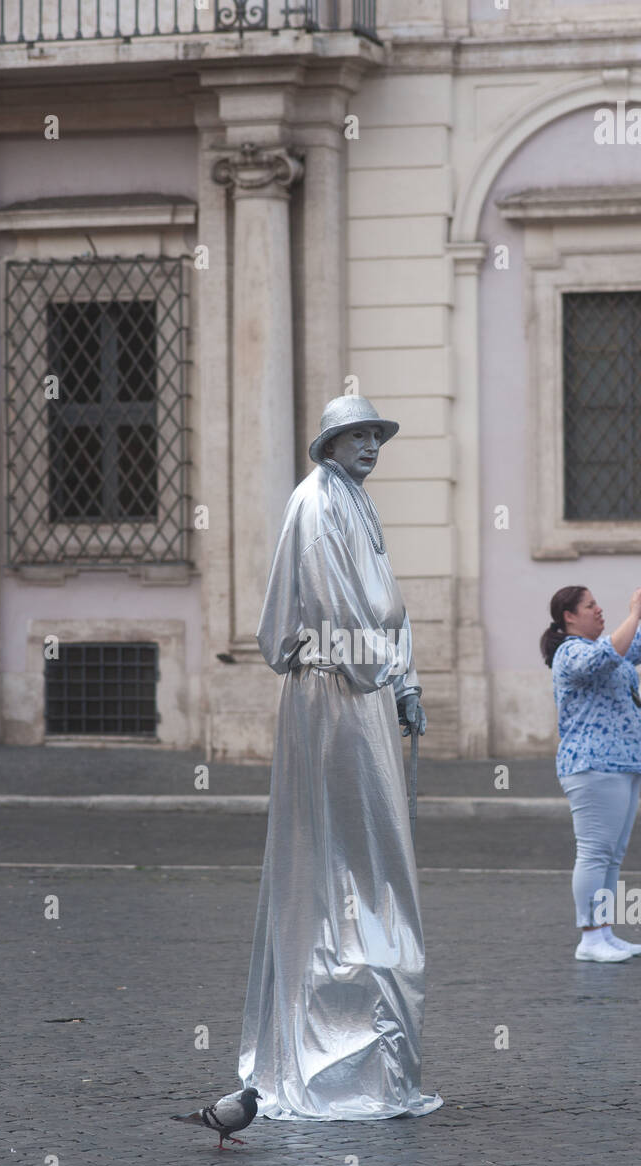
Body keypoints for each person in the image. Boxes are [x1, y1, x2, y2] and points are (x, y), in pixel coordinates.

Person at [238, 395, 443, 1120]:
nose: (371, 447)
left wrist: (406, 680)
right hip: (334, 695)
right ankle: (335, 1057)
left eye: (376, 436)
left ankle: (379, 1057)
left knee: (376, 863)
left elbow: (389, 606)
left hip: (365, 693)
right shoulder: (315, 504)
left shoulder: (358, 505)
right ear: (331, 441)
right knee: (340, 861)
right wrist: (385, 677)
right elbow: (335, 612)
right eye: (358, 435)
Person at [541, 584, 641, 963]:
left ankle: (605, 932)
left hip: (623, 763)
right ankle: (590, 937)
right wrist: (632, 615)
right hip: (593, 765)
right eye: (590, 606)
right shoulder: (571, 652)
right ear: (569, 617)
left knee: (611, 856)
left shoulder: (605, 650)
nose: (598, 610)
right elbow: (609, 654)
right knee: (594, 853)